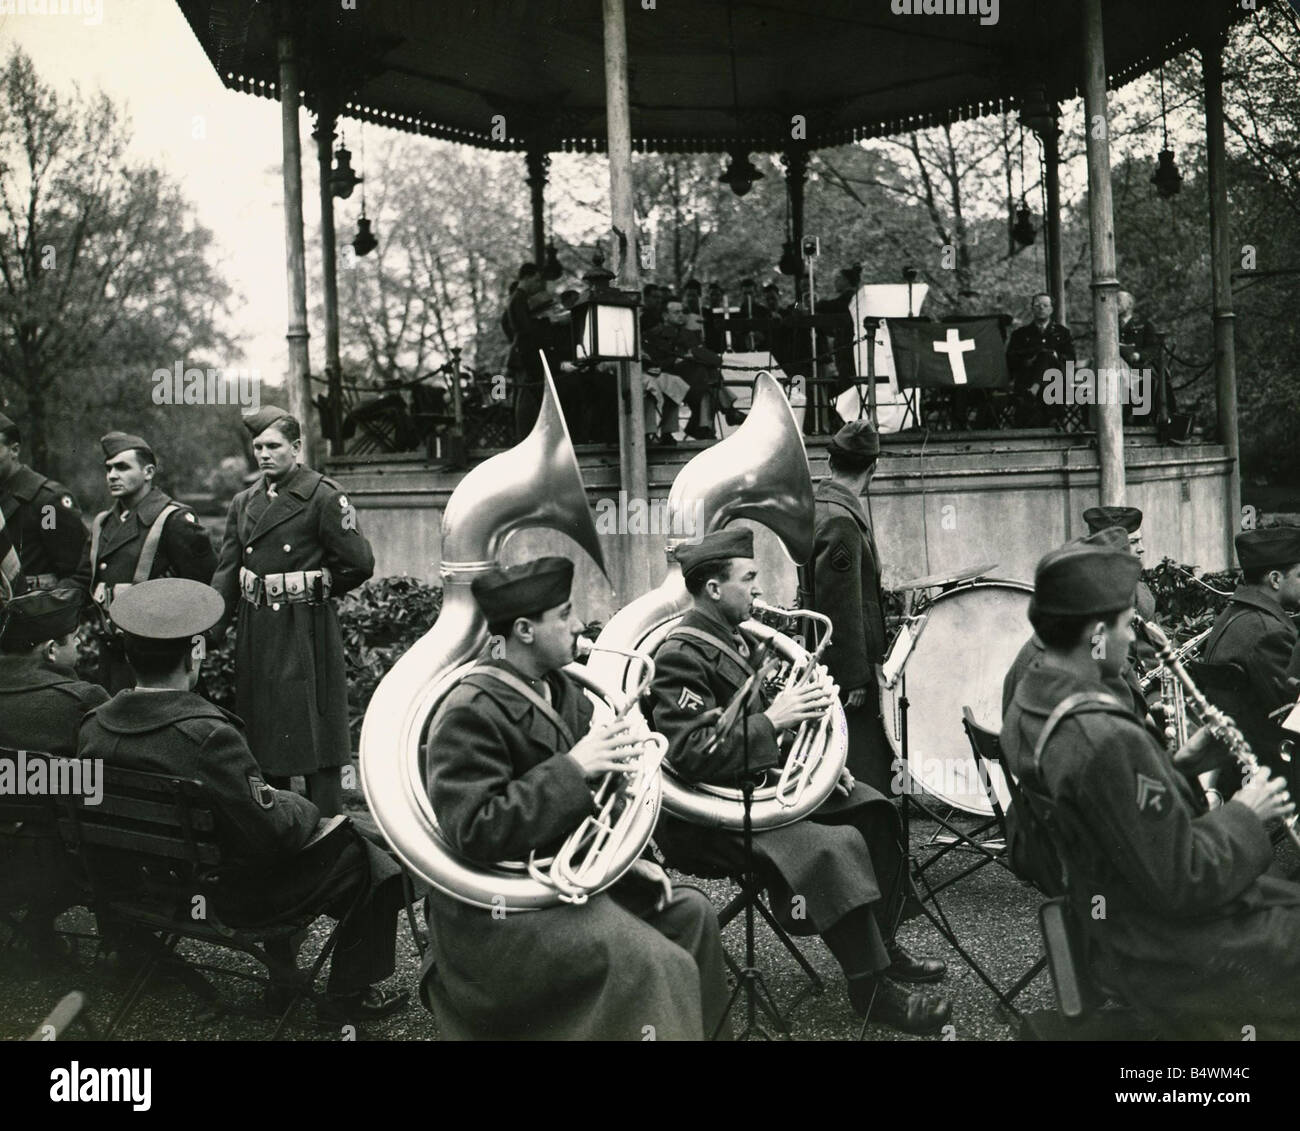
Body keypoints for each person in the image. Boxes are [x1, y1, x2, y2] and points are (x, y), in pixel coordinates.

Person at [647, 528, 951, 1034]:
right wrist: (775, 721)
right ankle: (870, 990)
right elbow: (693, 753)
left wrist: (817, 766)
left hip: (760, 788)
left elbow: (753, 721)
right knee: (833, 847)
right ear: (714, 589)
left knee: (872, 809)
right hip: (714, 816)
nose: (758, 592)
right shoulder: (680, 653)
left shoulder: (735, 636)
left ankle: (881, 942)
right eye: (748, 580)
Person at [421, 557, 732, 1040]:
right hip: (501, 916)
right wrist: (573, 769)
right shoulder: (470, 710)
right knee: (654, 962)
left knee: (693, 916)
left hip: (564, 884)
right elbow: (475, 831)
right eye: (564, 614)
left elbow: (605, 800)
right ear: (524, 629)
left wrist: (628, 862)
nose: (578, 624)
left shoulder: (562, 685)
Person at [1000, 537, 1300, 1039]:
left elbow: (1117, 818)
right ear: (1096, 635)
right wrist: (1249, 811)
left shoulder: (1034, 700)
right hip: (1164, 946)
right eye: (1126, 625)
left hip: (1110, 919)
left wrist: (1176, 765)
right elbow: (1185, 878)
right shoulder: (1103, 737)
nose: (1135, 640)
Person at [78, 579, 409, 1020]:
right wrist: (297, 804)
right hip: (229, 898)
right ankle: (346, 1001)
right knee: (366, 858)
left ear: (128, 654)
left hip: (150, 890)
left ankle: (285, 977)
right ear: (195, 651)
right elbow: (275, 833)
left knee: (351, 842)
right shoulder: (208, 737)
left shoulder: (93, 727)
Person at [210, 406, 375, 818]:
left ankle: (329, 831)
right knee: (263, 737)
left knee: (317, 734)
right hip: (257, 629)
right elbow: (228, 572)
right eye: (258, 446)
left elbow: (359, 562)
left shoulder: (324, 496)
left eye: (274, 446)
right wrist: (206, 632)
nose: (264, 454)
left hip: (306, 629)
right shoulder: (243, 501)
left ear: (297, 448)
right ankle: (275, 829)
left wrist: (312, 586)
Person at [0, 589, 106, 952]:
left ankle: (37, 930)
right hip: (58, 865)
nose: (78, 646)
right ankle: (125, 947)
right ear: (50, 650)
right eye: (74, 639)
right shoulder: (80, 702)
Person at [89, 431, 217, 693]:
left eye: (123, 467)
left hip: (161, 661)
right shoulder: (104, 522)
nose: (112, 475)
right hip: (113, 652)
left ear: (148, 472)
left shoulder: (174, 520)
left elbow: (205, 590)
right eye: (109, 468)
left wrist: (193, 654)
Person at [806, 421, 894, 796]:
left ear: (829, 460)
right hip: (850, 668)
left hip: (842, 660)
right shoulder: (841, 518)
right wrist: (852, 676)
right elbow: (838, 603)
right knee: (865, 766)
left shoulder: (824, 507)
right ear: (872, 468)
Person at [1201, 527, 1300, 797]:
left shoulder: (1234, 616)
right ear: (1276, 579)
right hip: (1274, 774)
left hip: (1235, 768)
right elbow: (1294, 714)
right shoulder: (1269, 632)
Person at [0, 412, 90, 596]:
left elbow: (79, 575)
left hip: (32, 615)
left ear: (14, 450)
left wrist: (43, 605)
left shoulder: (46, 503)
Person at [643, 297, 738, 441]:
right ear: (665, 315)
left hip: (693, 381)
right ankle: (726, 412)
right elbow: (652, 363)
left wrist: (692, 354)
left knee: (707, 376)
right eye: (676, 312)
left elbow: (716, 360)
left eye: (682, 312)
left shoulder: (689, 334)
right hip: (669, 377)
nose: (681, 315)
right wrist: (678, 359)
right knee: (706, 376)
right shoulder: (653, 335)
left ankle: (705, 427)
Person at [1005, 293, 1074, 427]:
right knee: (1044, 357)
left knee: (1046, 356)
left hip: (1056, 379)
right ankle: (1039, 393)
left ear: (1051, 309)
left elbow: (1071, 358)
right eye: (1037, 305)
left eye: (1045, 305)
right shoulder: (1020, 334)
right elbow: (1011, 359)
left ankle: (1035, 388)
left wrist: (1055, 356)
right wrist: (1029, 360)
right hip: (1028, 378)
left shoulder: (1062, 333)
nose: (1041, 308)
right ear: (1032, 308)